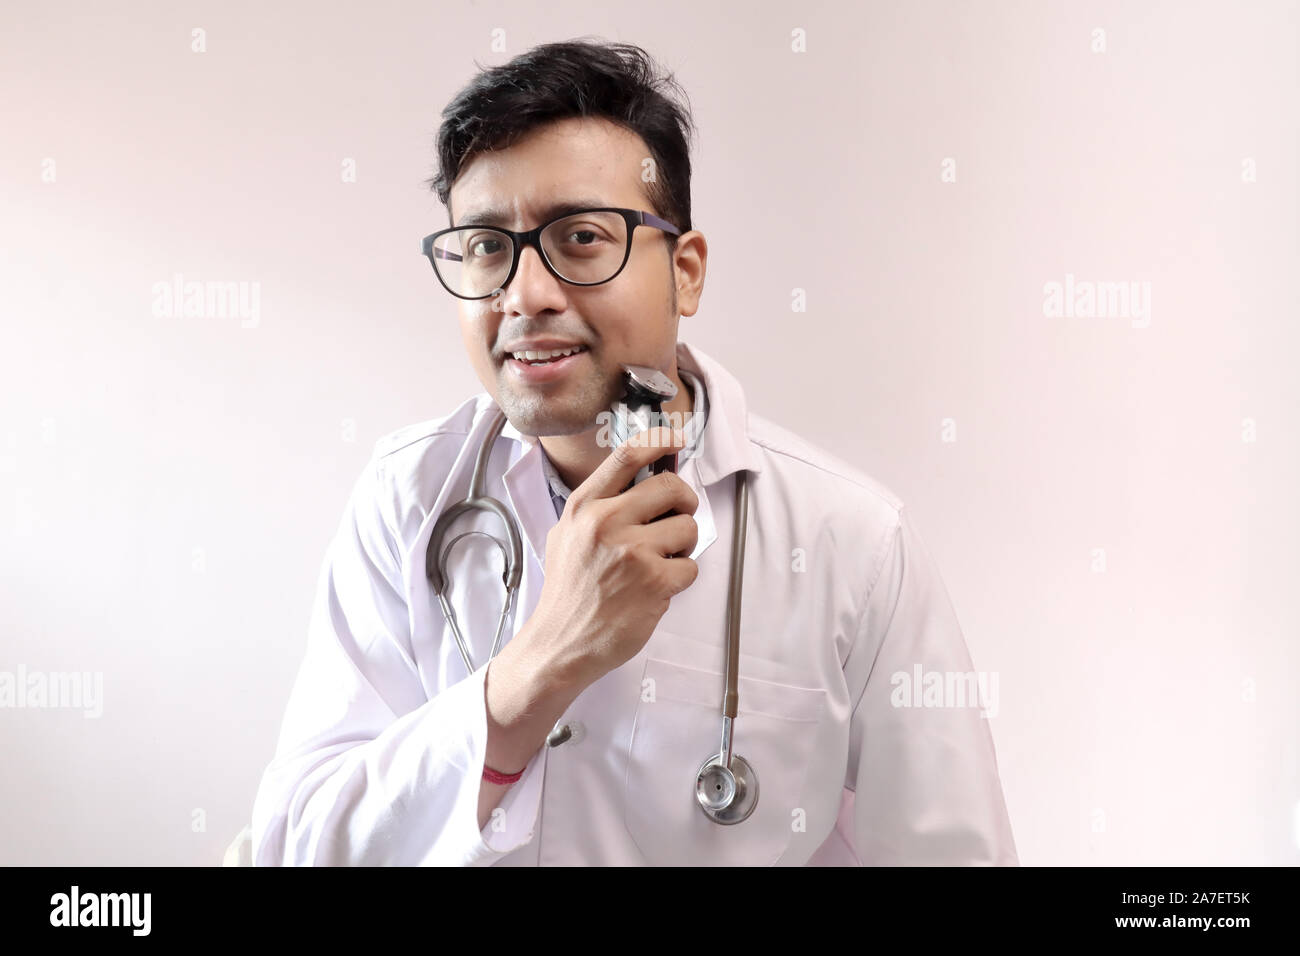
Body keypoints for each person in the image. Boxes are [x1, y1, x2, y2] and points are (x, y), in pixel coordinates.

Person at [250, 38, 1018, 866]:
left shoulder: (853, 545)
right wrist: (534, 672)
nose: (525, 295)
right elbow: (295, 848)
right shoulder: (408, 497)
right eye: (485, 247)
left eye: (580, 237)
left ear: (685, 273)